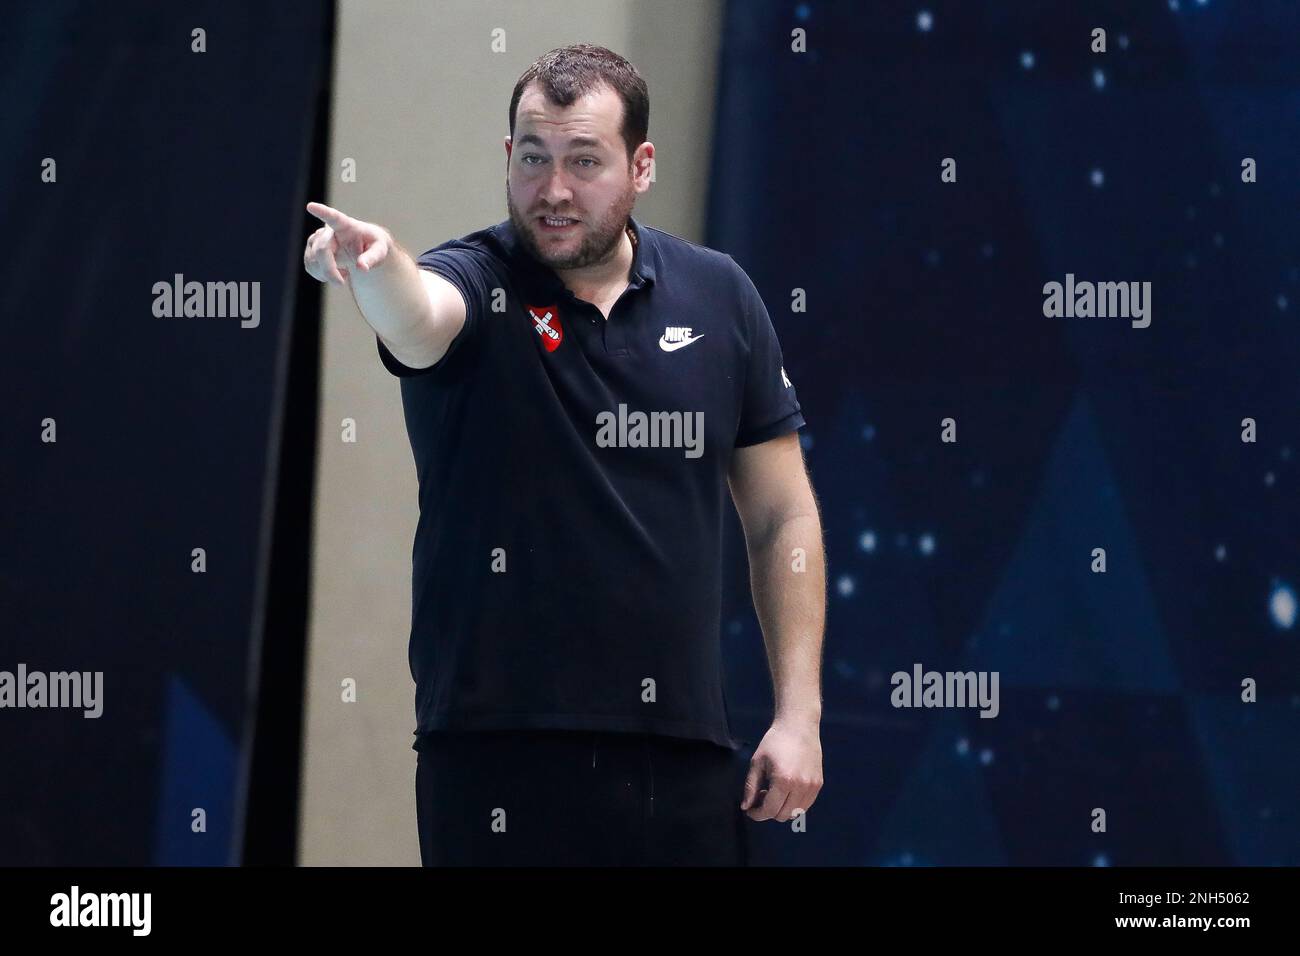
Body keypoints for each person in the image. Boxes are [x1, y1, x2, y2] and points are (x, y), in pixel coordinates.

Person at [303, 43, 825, 866]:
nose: (553, 190)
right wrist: (376, 270)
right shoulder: (474, 278)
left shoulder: (721, 296)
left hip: (680, 751)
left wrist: (800, 717)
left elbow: (781, 512)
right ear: (508, 158)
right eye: (534, 158)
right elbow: (420, 314)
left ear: (641, 165)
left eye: (585, 161)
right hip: (495, 749)